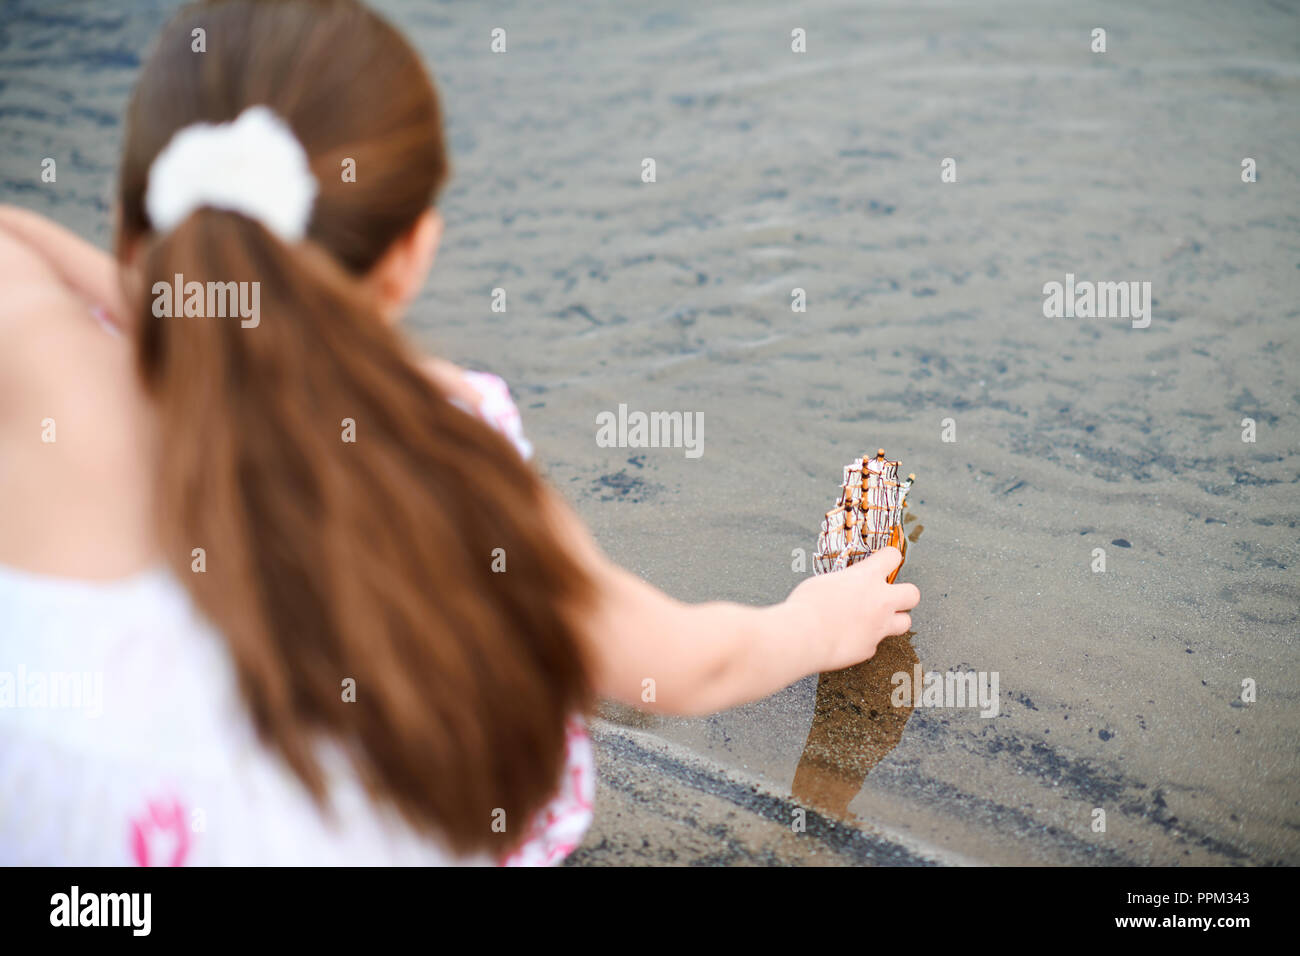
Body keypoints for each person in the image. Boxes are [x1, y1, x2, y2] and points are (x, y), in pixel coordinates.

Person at [0, 0, 918, 865]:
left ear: (133, 229)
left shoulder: (32, 370)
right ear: (414, 254)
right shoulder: (444, 447)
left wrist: (174, 301)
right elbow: (685, 667)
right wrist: (814, 623)